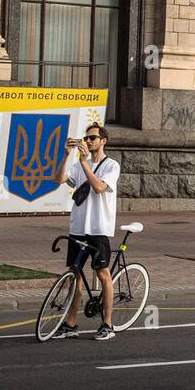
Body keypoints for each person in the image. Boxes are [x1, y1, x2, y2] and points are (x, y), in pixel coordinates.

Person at [52, 123, 121, 341]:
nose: (88, 141)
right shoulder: (80, 164)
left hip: (98, 228)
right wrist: (66, 156)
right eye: (87, 138)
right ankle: (71, 324)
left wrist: (83, 164)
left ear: (103, 141)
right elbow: (59, 179)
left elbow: (100, 187)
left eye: (93, 138)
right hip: (78, 227)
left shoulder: (112, 165)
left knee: (103, 274)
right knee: (75, 276)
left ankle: (108, 324)